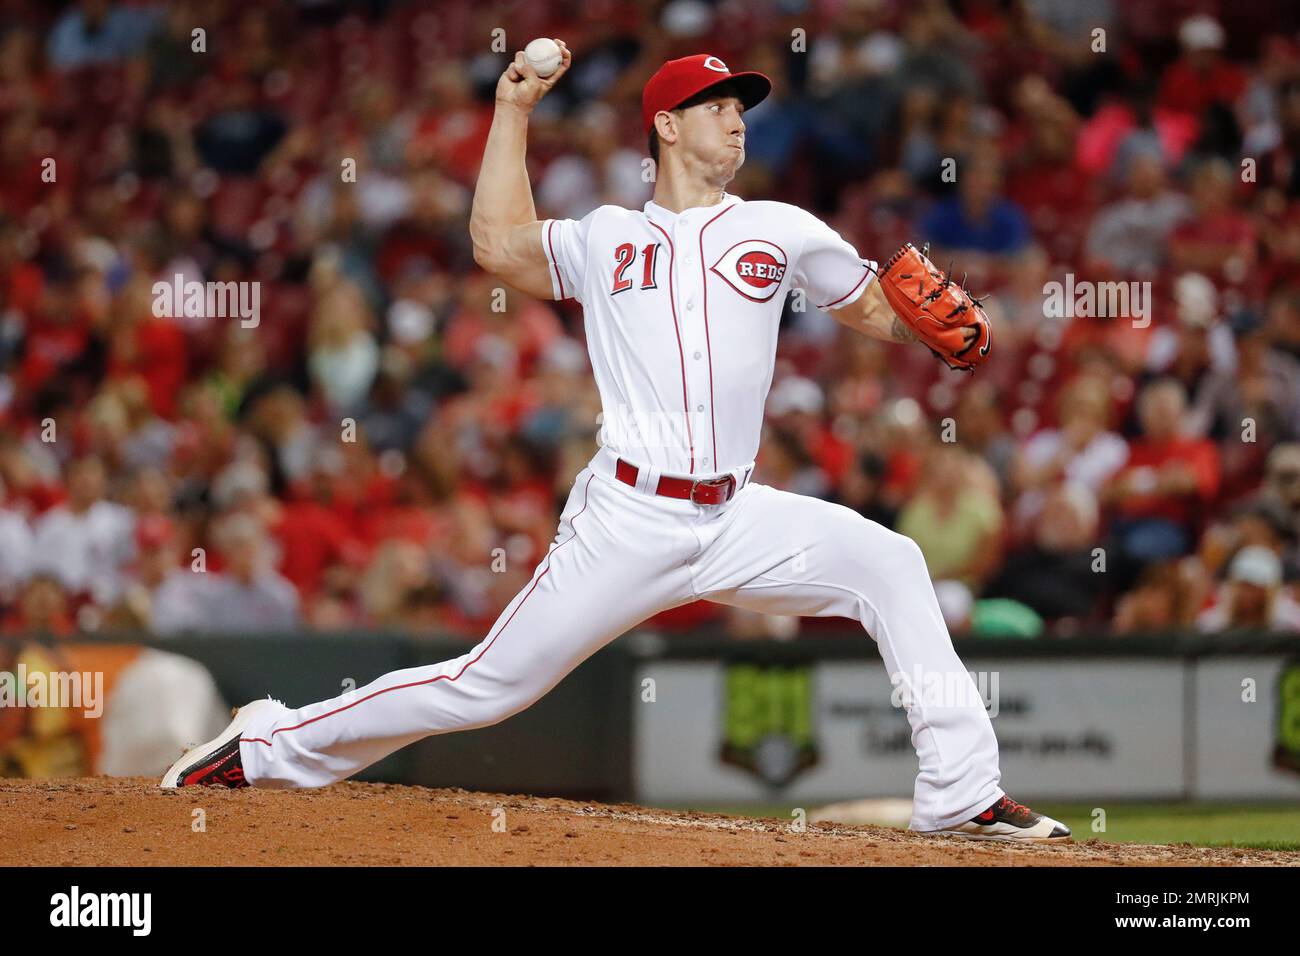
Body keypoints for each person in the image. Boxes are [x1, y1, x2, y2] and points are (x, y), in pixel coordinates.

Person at [163, 46, 1068, 842]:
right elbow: (495, 242)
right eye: (717, 107)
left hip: (738, 510)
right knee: (487, 687)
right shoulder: (606, 237)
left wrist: (936, 332)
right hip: (628, 516)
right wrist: (513, 107)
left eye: (741, 108)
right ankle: (268, 742)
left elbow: (878, 307)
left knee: (892, 563)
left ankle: (961, 792)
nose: (736, 121)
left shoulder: (781, 227)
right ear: (666, 128)